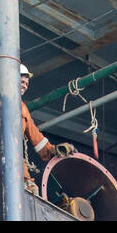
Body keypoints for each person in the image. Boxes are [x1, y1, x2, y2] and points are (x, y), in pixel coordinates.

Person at [19, 64, 75, 194]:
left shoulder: (22, 109)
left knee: (29, 188)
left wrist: (54, 150)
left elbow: (37, 139)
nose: (24, 86)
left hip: (13, 162)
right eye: (21, 82)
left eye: (26, 84)